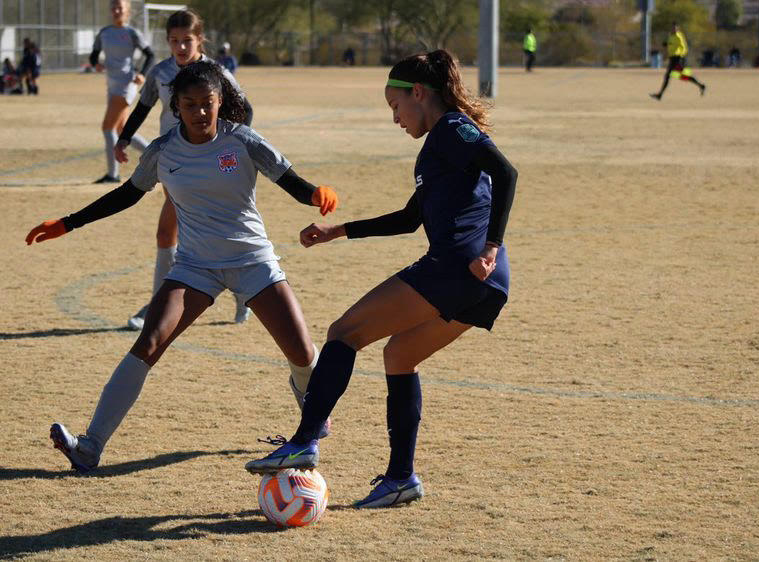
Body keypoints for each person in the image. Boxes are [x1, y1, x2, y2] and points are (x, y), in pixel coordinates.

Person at [26, 61, 339, 473]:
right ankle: (89, 448)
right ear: (176, 108)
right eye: (189, 105)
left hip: (252, 261)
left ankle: (309, 411)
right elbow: (126, 195)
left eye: (207, 103)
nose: (200, 112)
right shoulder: (162, 151)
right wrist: (68, 222)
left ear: (220, 102)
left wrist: (317, 193)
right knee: (149, 343)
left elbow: (291, 181)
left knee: (301, 353)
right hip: (195, 267)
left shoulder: (243, 141)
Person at [244, 49, 518, 509]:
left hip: (460, 265)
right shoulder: (438, 147)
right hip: (485, 283)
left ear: (418, 93)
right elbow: (410, 219)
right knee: (399, 355)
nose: (394, 118)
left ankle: (305, 440)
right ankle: (400, 479)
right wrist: (339, 231)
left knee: (343, 334)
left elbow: (506, 172)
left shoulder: (451, 128)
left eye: (395, 106)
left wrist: (490, 245)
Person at [115, 9, 254, 330]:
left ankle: (239, 291)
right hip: (174, 161)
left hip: (209, 162)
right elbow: (144, 106)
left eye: (187, 41)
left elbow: (245, 110)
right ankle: (160, 304)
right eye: (174, 41)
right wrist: (123, 138)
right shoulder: (160, 72)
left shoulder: (215, 72)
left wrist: (231, 145)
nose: (180, 48)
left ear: (200, 40)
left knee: (205, 233)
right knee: (171, 233)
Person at [89, 0, 155, 184]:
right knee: (121, 130)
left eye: (121, 8)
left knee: (107, 128)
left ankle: (113, 174)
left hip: (126, 85)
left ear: (128, 12)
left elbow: (151, 54)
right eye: (114, 8)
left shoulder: (132, 33)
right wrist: (96, 63)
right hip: (111, 85)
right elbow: (94, 54)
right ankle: (158, 156)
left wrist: (142, 73)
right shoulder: (104, 33)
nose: (117, 11)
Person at [650, 22, 705, 100]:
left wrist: (681, 56)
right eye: (673, 28)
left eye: (675, 28)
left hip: (677, 59)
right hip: (672, 58)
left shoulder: (679, 36)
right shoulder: (671, 36)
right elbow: (672, 44)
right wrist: (667, 44)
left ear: (678, 28)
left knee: (674, 76)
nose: (674, 29)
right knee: (679, 76)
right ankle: (701, 85)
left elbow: (684, 48)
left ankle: (660, 95)